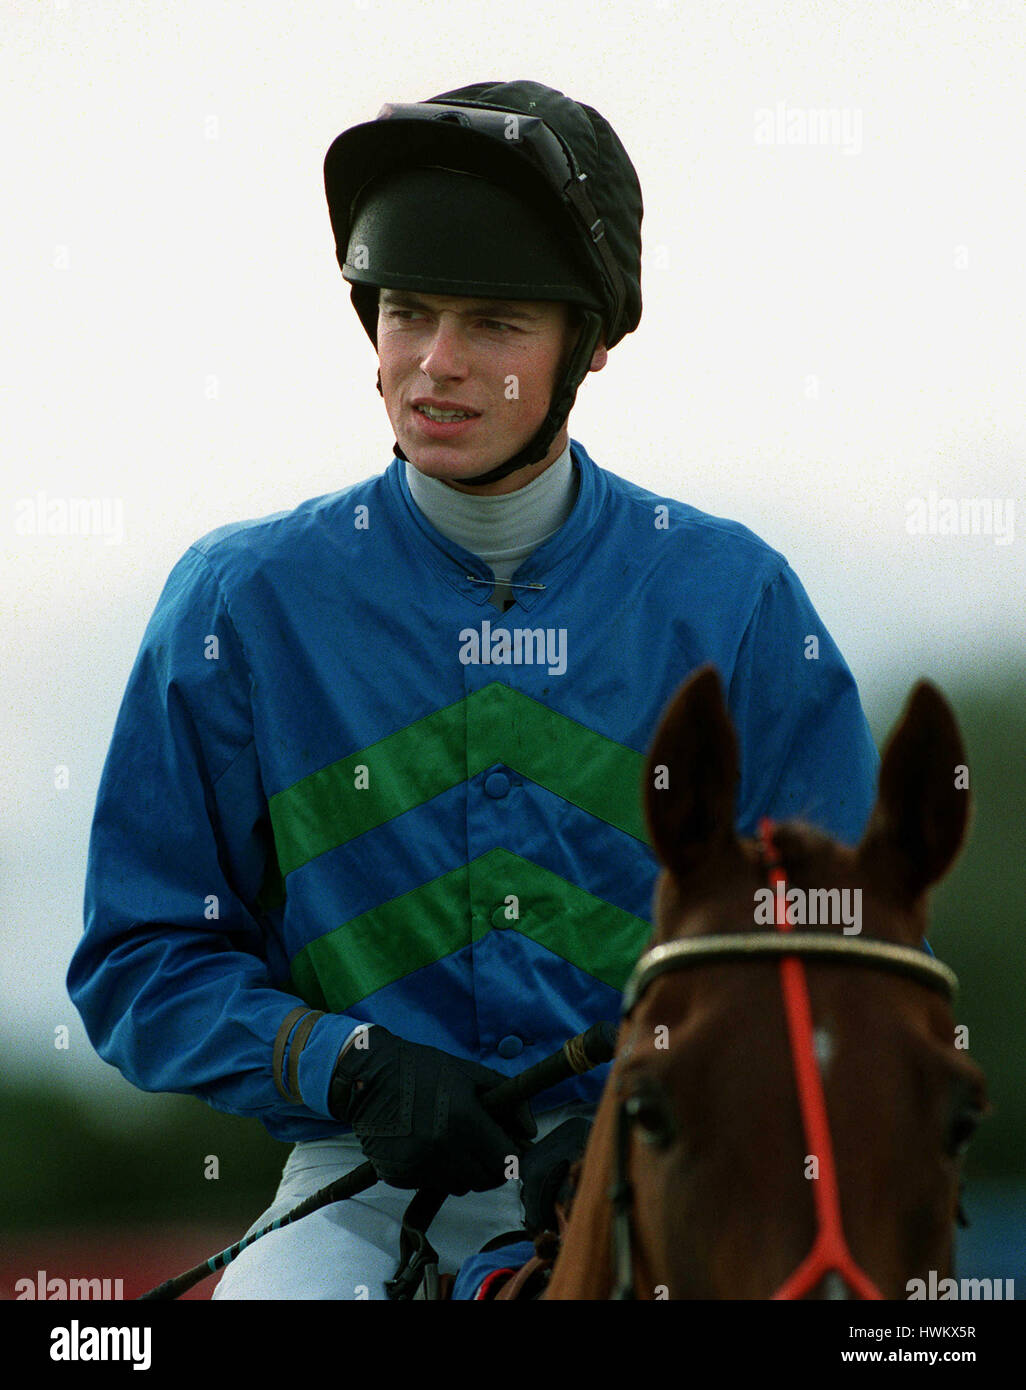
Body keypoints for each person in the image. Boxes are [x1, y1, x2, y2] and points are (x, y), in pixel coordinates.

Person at [67, 80, 880, 1300]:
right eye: (407, 313)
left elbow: (834, 941)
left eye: (494, 324)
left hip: (670, 1173)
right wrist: (351, 1065)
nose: (436, 366)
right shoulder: (238, 601)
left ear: (588, 348)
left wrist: (648, 1107)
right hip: (359, 1186)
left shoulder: (739, 602)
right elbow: (138, 957)